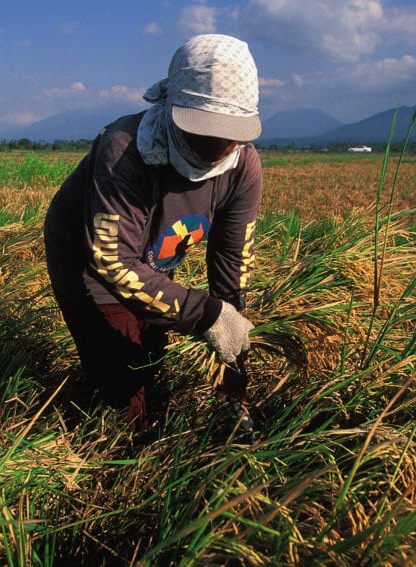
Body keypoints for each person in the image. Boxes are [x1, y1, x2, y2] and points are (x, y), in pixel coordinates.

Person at [43, 34, 262, 432]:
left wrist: (229, 325)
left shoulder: (242, 166)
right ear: (173, 106)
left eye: (229, 133)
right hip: (88, 259)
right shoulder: (125, 151)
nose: (219, 145)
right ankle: (124, 444)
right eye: (205, 131)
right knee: (120, 374)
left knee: (153, 345)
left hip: (152, 259)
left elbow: (232, 260)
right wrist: (204, 313)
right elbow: (112, 261)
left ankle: (155, 403)